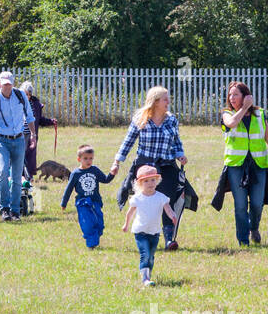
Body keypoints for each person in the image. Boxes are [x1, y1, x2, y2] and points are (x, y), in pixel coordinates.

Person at [110, 86, 188, 250]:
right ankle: (144, 237)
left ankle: (169, 239)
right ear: (155, 101)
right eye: (165, 99)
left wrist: (180, 154)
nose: (169, 102)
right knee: (145, 203)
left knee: (168, 200)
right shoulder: (141, 118)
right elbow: (128, 141)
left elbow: (176, 141)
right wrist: (117, 162)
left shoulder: (172, 120)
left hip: (167, 166)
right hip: (145, 166)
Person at [214, 82, 268, 247]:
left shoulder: (260, 114)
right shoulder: (227, 113)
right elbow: (232, 123)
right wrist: (243, 108)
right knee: (240, 205)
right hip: (236, 165)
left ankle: (254, 228)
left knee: (256, 203)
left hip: (257, 164)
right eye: (230, 95)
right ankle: (243, 240)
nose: (232, 98)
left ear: (245, 95)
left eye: (236, 95)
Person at [0, 76, 36, 222]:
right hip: (1, 140)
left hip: (18, 139)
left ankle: (15, 211)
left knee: (17, 176)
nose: (7, 87)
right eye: (4, 84)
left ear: (13, 84)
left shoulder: (20, 95)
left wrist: (33, 134)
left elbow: (29, 116)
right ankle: (4, 209)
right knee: (3, 171)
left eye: (9, 84)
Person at [123, 166, 179, 287]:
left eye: (153, 180)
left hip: (154, 232)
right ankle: (145, 279)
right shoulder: (137, 198)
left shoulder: (160, 197)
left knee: (151, 256)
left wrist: (173, 216)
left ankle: (148, 274)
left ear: (157, 181)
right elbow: (130, 213)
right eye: (146, 181)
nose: (150, 183)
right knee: (145, 254)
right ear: (139, 183)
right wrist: (126, 225)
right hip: (140, 231)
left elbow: (168, 209)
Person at [61, 145, 114, 249]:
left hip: (95, 201)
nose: (88, 161)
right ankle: (91, 244)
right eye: (85, 158)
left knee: (99, 223)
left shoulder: (95, 170)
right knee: (88, 223)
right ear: (79, 159)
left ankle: (94, 237)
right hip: (82, 202)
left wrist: (112, 173)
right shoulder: (76, 173)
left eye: (91, 158)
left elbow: (105, 180)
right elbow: (69, 189)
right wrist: (64, 203)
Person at [21, 81, 57, 178]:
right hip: (19, 134)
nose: (26, 96)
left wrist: (50, 121)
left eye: (28, 94)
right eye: (24, 94)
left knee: (31, 155)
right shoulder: (17, 103)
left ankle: (29, 175)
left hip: (32, 134)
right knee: (20, 154)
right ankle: (20, 175)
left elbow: (39, 119)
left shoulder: (35, 104)